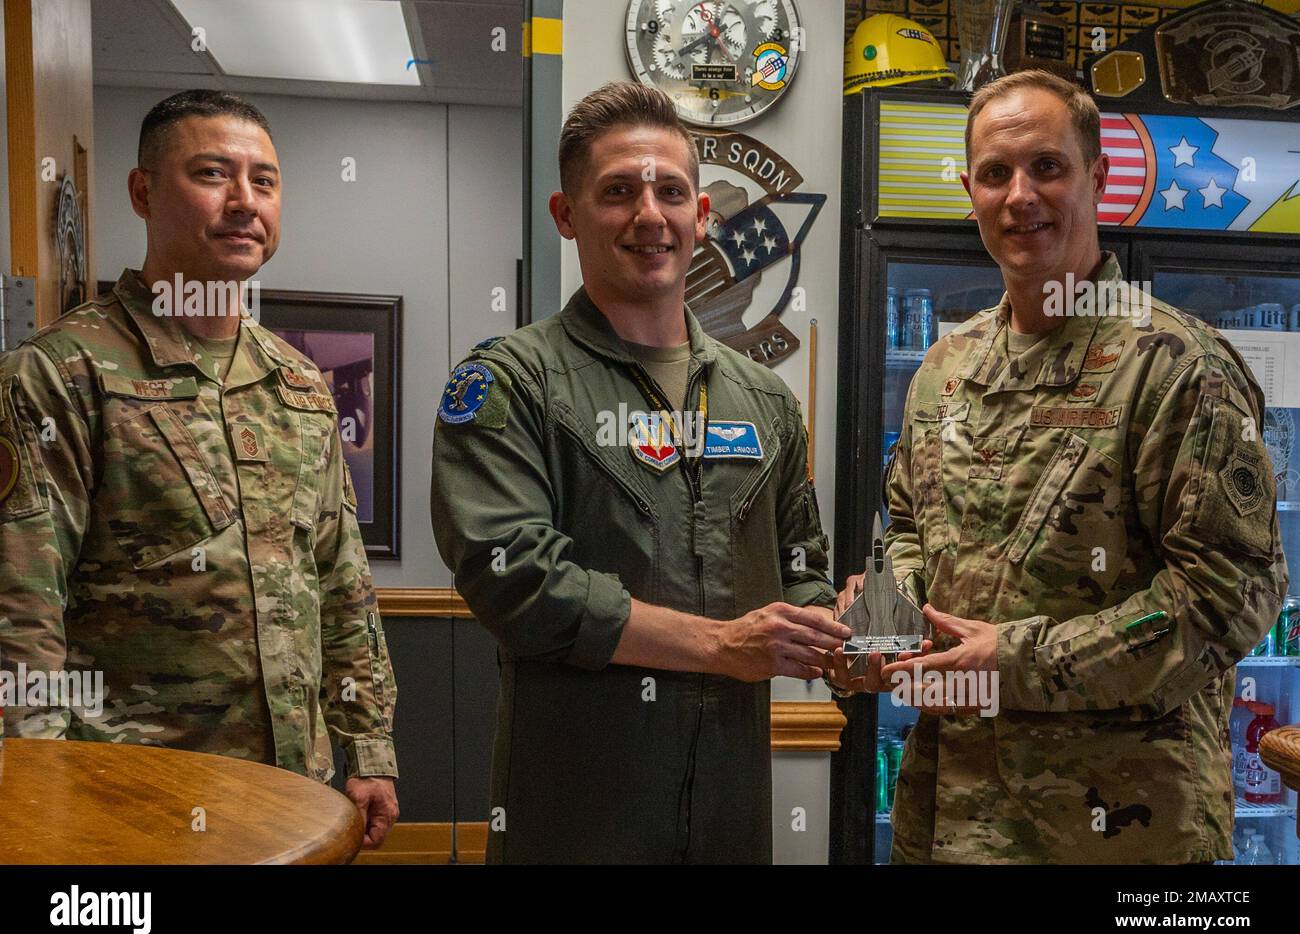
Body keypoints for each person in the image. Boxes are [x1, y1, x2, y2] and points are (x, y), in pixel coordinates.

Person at [828, 69, 1288, 863]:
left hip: (1115, 831)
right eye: (995, 174)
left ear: (1099, 178)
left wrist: (1017, 660)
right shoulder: (946, 368)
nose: (1020, 196)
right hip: (946, 821)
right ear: (969, 190)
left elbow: (1227, 600)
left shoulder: (1179, 365)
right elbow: (908, 528)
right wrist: (886, 621)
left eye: (1047, 166)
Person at [430, 81, 845, 864]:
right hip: (578, 816)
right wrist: (723, 645)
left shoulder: (766, 400)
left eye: (670, 191)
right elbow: (516, 580)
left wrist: (838, 632)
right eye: (617, 191)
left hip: (731, 814)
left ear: (703, 216)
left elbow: (799, 568)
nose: (649, 214)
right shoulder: (511, 383)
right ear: (566, 215)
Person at [0, 90, 398, 849]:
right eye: (213, 174)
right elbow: (19, 617)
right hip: (129, 803)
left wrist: (369, 744)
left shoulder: (297, 383)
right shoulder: (61, 375)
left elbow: (341, 582)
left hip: (293, 797)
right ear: (143, 191)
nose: (245, 202)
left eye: (265, 181)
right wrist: (33, 802)